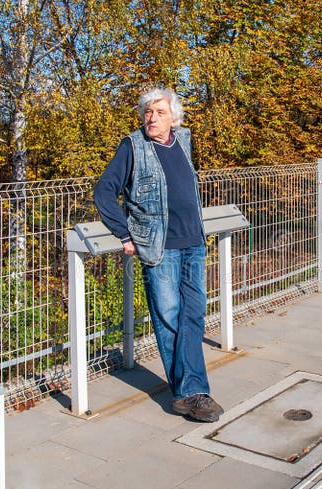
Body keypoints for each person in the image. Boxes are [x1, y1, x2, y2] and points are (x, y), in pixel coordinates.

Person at [93, 87, 224, 423]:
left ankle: (191, 389)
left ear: (174, 118)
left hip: (194, 243)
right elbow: (104, 191)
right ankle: (190, 393)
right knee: (169, 317)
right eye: (148, 112)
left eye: (159, 112)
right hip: (160, 247)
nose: (151, 118)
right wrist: (124, 234)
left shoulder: (183, 140)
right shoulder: (133, 146)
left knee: (192, 316)